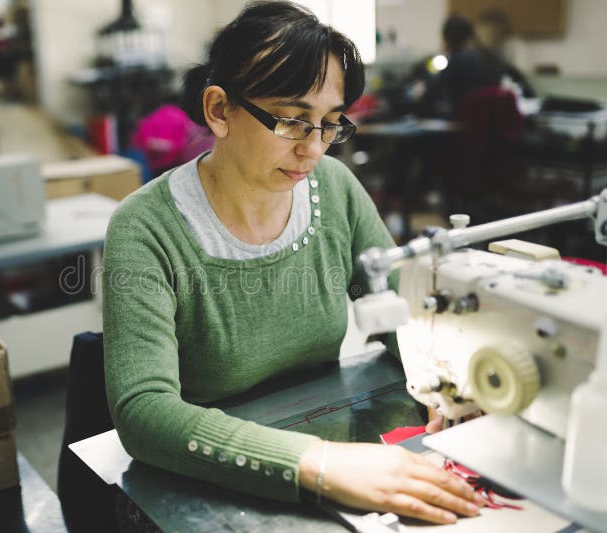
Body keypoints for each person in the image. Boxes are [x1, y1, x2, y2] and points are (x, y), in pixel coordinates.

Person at [102, 1, 485, 526]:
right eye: (291, 121)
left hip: (329, 428)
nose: (314, 149)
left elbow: (405, 307)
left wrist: (444, 381)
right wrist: (317, 463)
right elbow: (143, 412)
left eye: (330, 124)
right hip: (204, 471)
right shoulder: (145, 228)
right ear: (219, 110)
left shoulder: (335, 189)